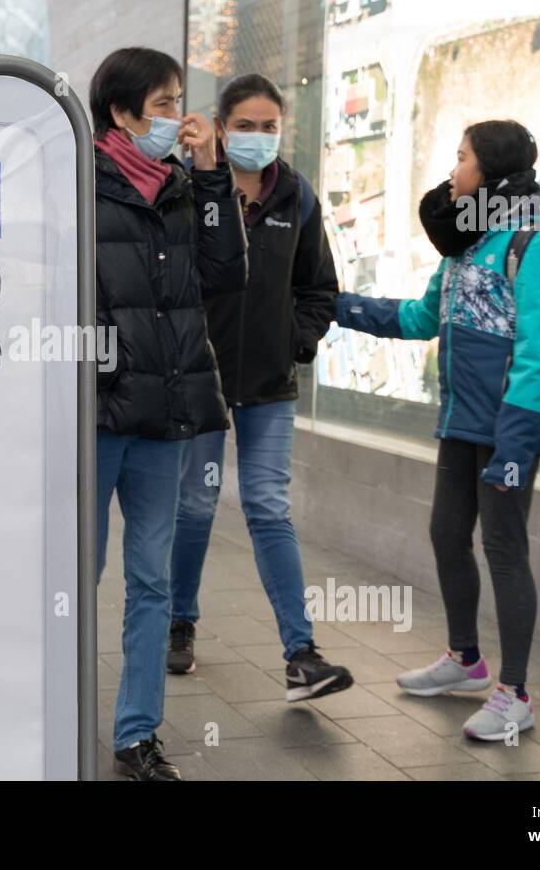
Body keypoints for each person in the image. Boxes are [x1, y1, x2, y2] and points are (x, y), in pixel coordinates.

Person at [335, 120, 540, 739]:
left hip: (508, 430)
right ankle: (467, 660)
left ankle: (515, 694)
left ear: (490, 172)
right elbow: (420, 319)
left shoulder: (538, 245)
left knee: (504, 549)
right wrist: (335, 304)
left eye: (462, 158)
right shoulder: (469, 244)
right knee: (447, 534)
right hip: (462, 424)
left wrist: (516, 446)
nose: (452, 171)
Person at [167, 73, 353, 702]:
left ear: (282, 130)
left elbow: (318, 286)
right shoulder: (190, 191)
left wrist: (296, 342)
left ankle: (301, 654)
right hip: (202, 383)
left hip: (270, 386)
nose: (256, 137)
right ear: (221, 128)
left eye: (268, 126)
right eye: (243, 126)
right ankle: (178, 622)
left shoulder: (297, 198)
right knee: (194, 507)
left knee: (269, 507)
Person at [92, 47, 246, 780]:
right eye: (161, 104)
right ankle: (45, 716)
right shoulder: (77, 182)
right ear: (120, 112)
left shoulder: (186, 187)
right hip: (91, 420)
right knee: (76, 573)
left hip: (164, 416)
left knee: (150, 581)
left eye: (178, 101)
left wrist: (214, 172)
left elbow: (224, 273)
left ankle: (136, 736)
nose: (175, 118)